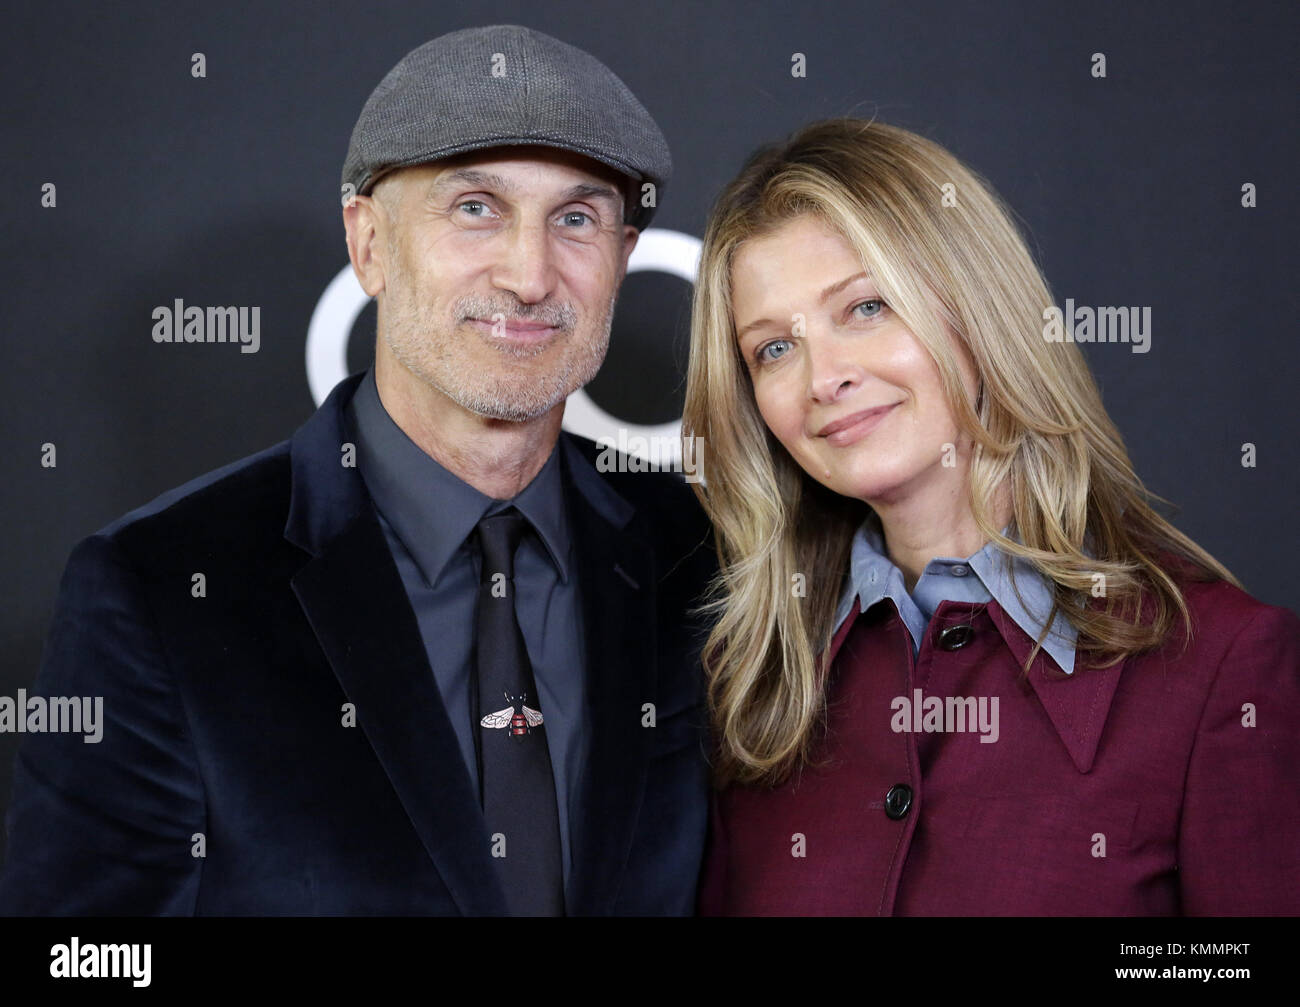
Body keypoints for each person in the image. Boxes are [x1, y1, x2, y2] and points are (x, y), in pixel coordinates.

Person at [0, 25, 714, 916]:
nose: (530, 275)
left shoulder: (697, 554)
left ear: (621, 259)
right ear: (369, 243)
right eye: (475, 208)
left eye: (576, 219)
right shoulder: (159, 590)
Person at [683, 117, 1300, 915]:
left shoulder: (1218, 664)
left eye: (866, 307)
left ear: (977, 309)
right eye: (773, 348)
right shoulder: (760, 691)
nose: (823, 376)